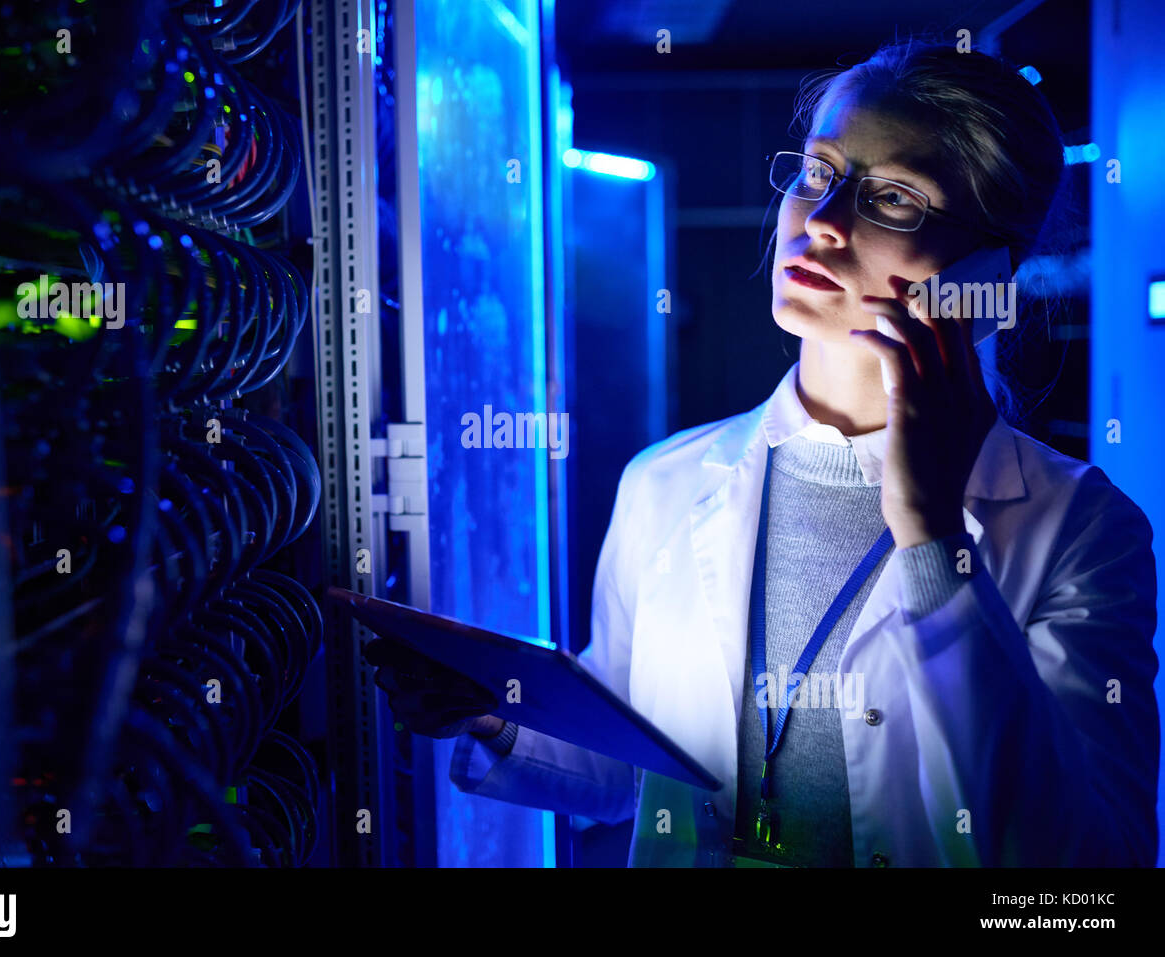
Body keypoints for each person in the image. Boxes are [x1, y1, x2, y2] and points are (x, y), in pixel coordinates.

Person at [363, 38, 1159, 867]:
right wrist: (499, 710)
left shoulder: (1084, 528)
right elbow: (643, 764)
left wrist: (934, 541)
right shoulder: (663, 483)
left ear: (988, 273)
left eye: (893, 198)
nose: (820, 222)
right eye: (817, 174)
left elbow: (1085, 875)